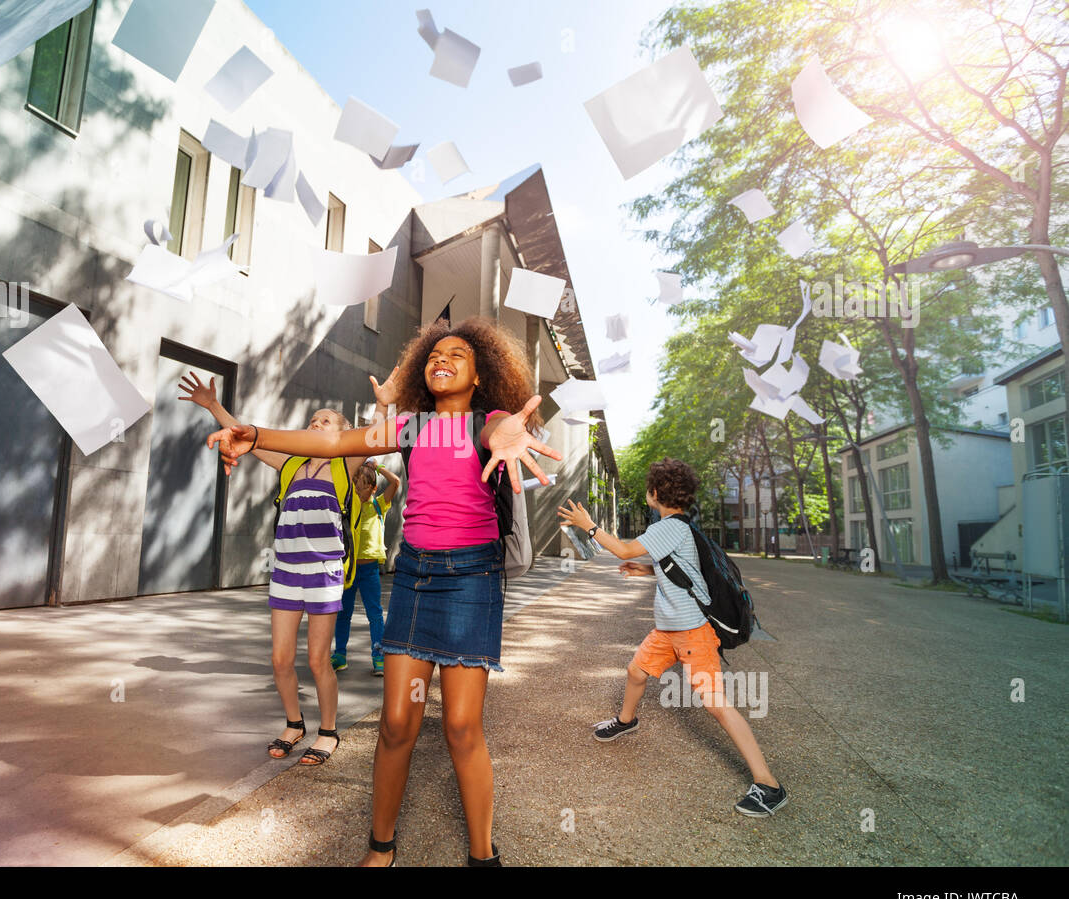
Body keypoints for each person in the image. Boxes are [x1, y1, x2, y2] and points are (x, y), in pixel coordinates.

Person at [206, 319, 561, 866]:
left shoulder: (484, 423)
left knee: (462, 728)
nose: (441, 359)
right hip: (416, 576)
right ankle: (380, 848)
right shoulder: (413, 428)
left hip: (472, 580)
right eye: (434, 353)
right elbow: (331, 440)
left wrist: (508, 433)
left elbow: (499, 433)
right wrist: (255, 434)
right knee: (397, 724)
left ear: (480, 373)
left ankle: (483, 854)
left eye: (458, 354)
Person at [557, 457, 788, 817]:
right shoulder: (678, 527)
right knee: (636, 672)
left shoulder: (668, 527)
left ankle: (769, 784)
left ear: (654, 494)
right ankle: (627, 721)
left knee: (716, 705)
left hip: (692, 633)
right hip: (667, 631)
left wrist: (589, 527)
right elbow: (684, 573)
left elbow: (621, 547)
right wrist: (646, 570)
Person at [178, 372, 364, 766]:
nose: (316, 424)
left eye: (325, 421)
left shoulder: (344, 465)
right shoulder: (290, 462)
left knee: (318, 660)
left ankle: (328, 731)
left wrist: (386, 404)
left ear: (341, 433)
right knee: (280, 659)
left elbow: (376, 434)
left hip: (324, 573)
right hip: (286, 572)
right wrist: (213, 406)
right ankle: (294, 725)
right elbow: (247, 436)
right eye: (312, 420)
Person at [332, 459, 401, 677]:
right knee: (343, 613)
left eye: (362, 487)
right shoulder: (349, 505)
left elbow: (396, 481)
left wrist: (376, 468)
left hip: (370, 570)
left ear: (373, 488)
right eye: (355, 486)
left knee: (375, 614)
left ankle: (378, 656)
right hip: (349, 568)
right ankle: (340, 655)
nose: (358, 491)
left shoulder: (380, 504)